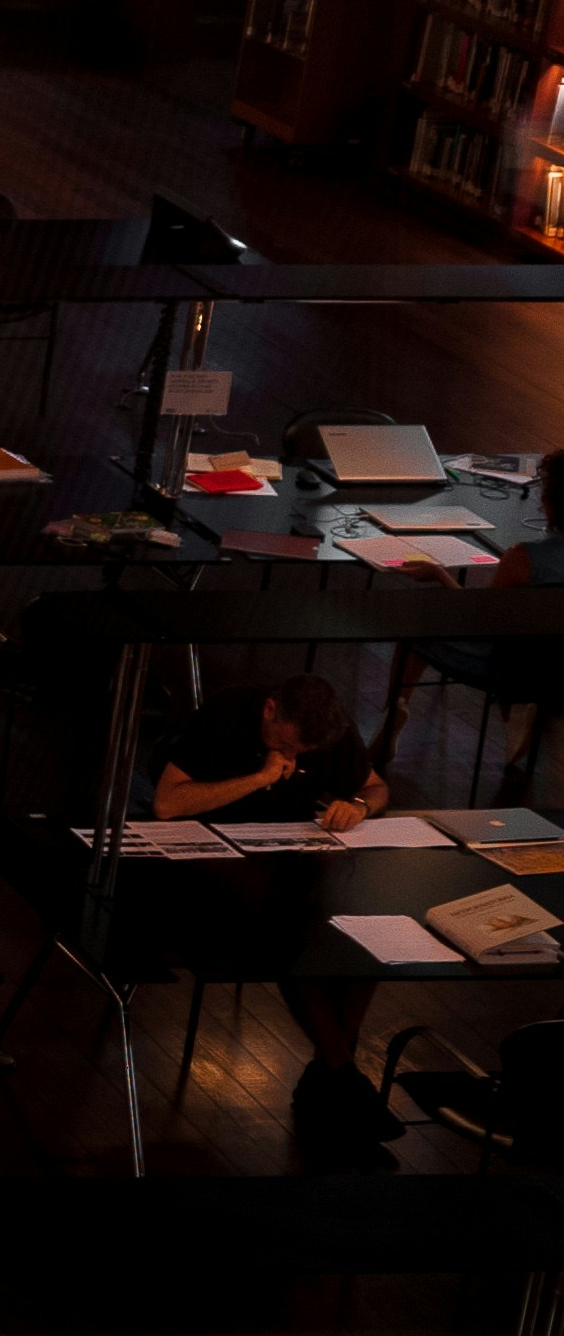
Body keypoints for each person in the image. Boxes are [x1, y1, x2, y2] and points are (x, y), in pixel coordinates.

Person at [153, 672, 398, 1138]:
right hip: (205, 863)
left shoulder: (327, 730)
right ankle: (343, 1082)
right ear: (270, 710)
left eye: (304, 753)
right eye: (288, 743)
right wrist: (259, 778)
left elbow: (376, 787)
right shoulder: (227, 713)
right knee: (290, 942)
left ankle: (331, 1073)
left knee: (365, 941)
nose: (294, 756)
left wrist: (360, 806)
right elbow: (167, 804)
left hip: (288, 861)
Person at [381, 449, 563, 787]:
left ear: (551, 500)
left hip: (507, 669)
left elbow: (479, 620)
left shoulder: (524, 559)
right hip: (556, 670)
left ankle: (393, 713)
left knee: (419, 620)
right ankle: (522, 712)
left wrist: (439, 574)